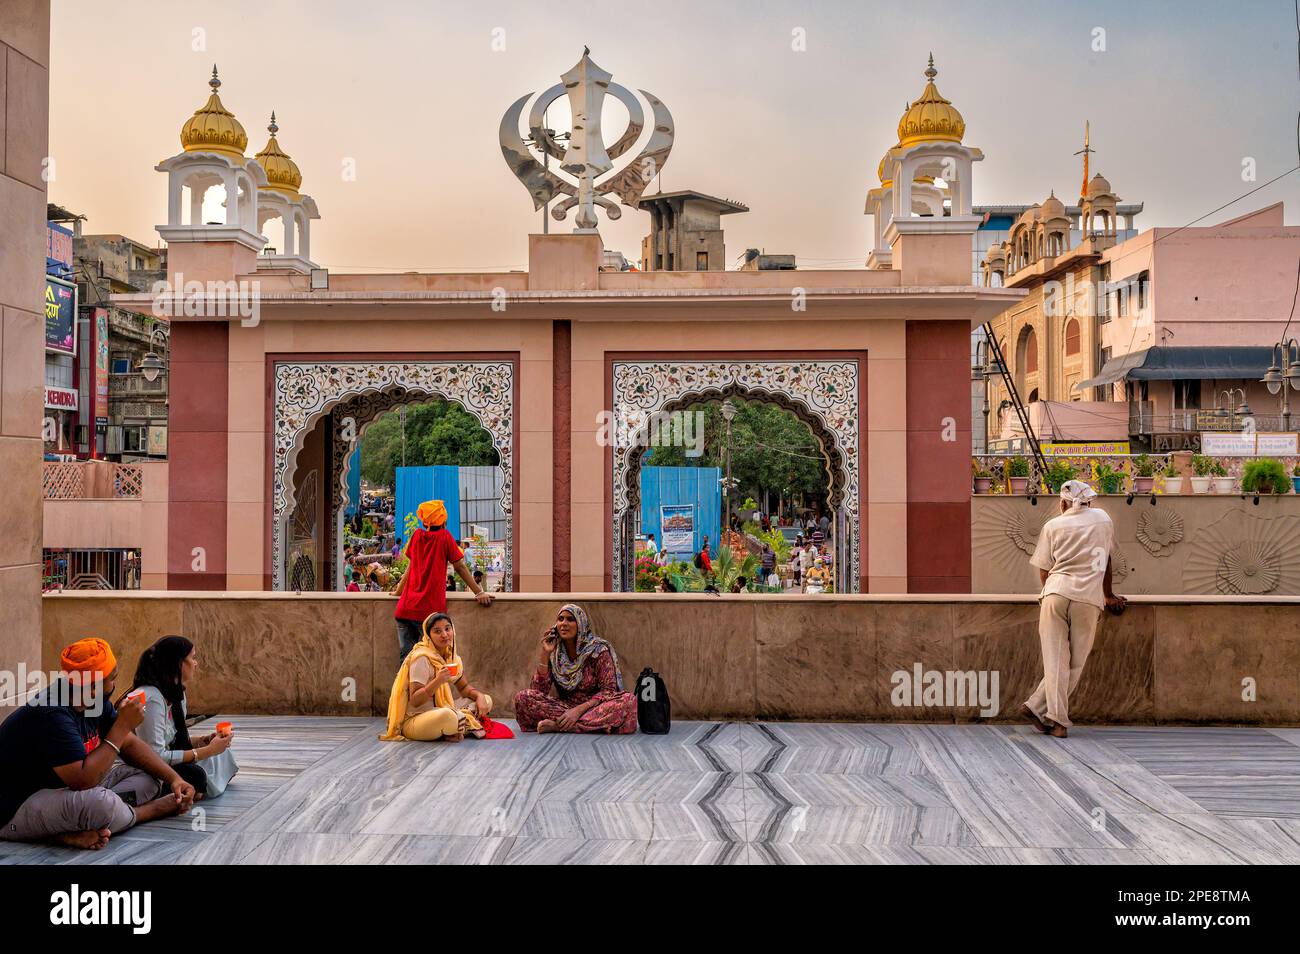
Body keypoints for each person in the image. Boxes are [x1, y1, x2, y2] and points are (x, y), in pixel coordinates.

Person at [0, 638, 196, 851]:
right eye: (112, 679)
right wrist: (122, 726)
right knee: (100, 804)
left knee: (149, 777)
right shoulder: (52, 713)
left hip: (64, 792)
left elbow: (130, 745)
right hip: (15, 807)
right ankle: (143, 812)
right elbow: (83, 781)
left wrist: (174, 778)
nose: (114, 685)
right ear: (92, 686)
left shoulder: (92, 700)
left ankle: (69, 830)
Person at [1022, 480, 1127, 739]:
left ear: (1062, 503)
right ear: (1090, 501)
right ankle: (1054, 719)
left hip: (1055, 593)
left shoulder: (1052, 525)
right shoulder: (1102, 519)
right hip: (1087, 598)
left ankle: (1036, 706)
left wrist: (1053, 593)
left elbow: (1045, 571)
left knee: (1054, 660)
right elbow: (1106, 560)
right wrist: (1109, 595)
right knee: (1075, 663)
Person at [127, 636, 238, 799]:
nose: (196, 663)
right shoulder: (151, 698)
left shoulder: (176, 693)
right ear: (178, 663)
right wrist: (207, 751)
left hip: (164, 760)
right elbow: (155, 756)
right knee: (196, 775)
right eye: (192, 658)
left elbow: (173, 740)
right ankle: (191, 790)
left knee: (221, 754)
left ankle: (197, 789)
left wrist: (203, 741)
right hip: (145, 768)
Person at [391, 500, 493, 662]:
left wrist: (398, 592)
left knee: (406, 663)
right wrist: (479, 592)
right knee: (431, 662)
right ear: (443, 519)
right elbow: (460, 566)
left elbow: (410, 569)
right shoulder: (444, 537)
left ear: (425, 520)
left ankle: (404, 688)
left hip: (404, 610)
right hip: (428, 614)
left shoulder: (417, 535)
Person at [514, 604, 637, 734]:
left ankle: (560, 726)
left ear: (581, 624)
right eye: (560, 619)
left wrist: (577, 712)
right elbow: (538, 691)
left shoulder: (597, 650)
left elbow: (608, 691)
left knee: (628, 701)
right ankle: (590, 726)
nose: (564, 623)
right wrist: (545, 653)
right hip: (563, 708)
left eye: (570, 619)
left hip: (593, 708)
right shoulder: (556, 654)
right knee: (522, 698)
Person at [380, 613, 493, 742]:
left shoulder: (451, 657)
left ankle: (455, 726)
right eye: (437, 631)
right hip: (417, 719)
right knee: (447, 716)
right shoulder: (422, 658)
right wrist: (438, 680)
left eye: (447, 629)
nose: (444, 635)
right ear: (428, 636)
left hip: (441, 709)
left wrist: (479, 697)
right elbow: (415, 700)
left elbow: (464, 688)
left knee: (487, 700)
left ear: (453, 630)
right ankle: (458, 724)